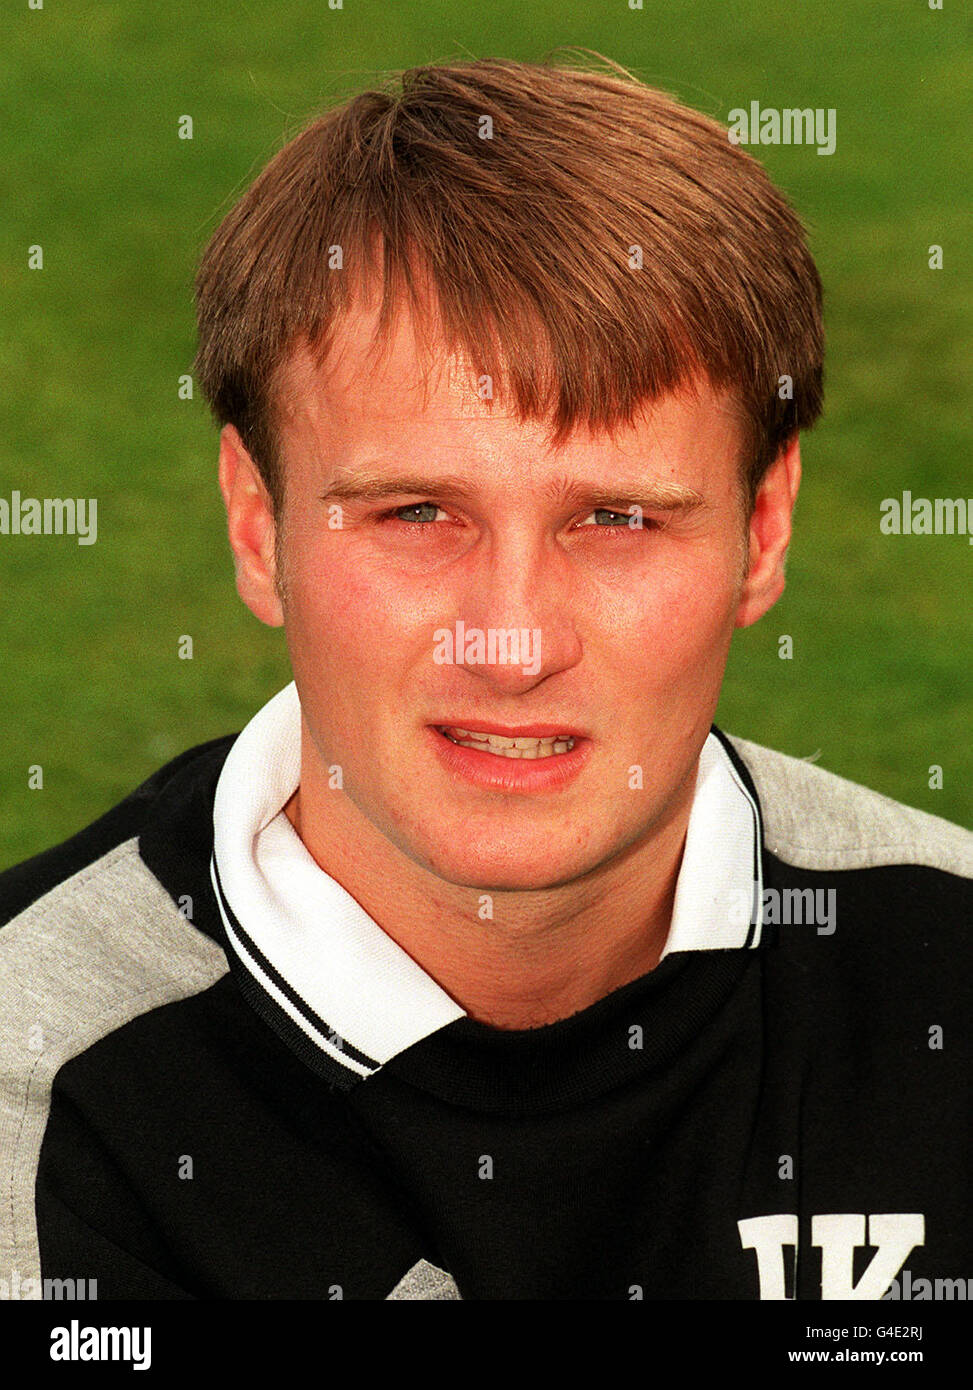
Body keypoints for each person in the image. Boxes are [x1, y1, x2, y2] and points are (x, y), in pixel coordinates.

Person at [1, 55, 968, 1302]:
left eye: (615, 517)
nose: (511, 641)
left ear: (764, 529)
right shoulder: (37, 1082)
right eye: (414, 513)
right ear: (257, 525)